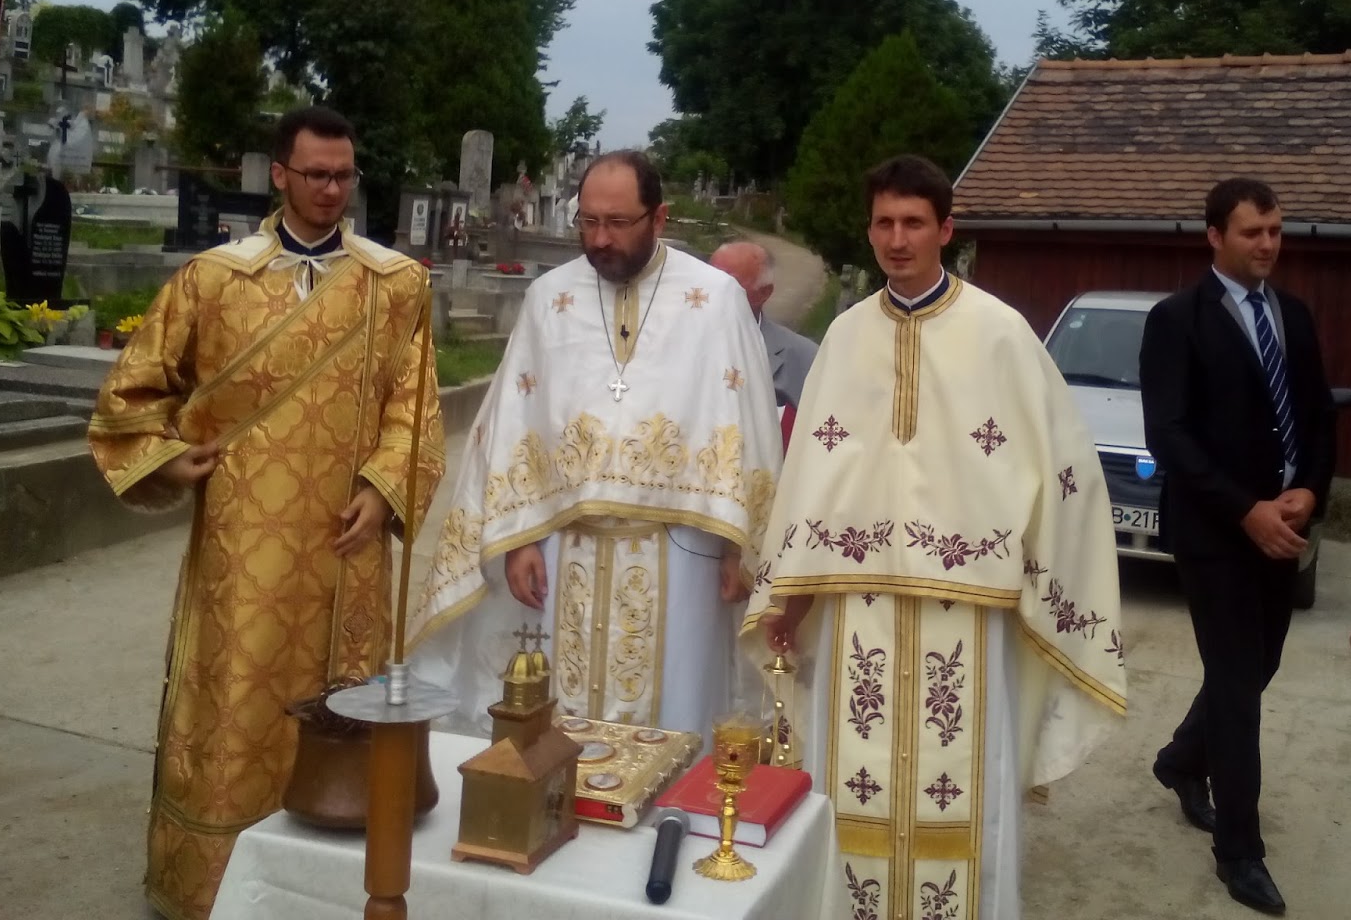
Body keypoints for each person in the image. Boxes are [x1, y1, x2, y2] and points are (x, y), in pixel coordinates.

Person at [742, 154, 1126, 920]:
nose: (897, 238)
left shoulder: (1001, 335)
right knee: (850, 799)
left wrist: (1042, 591)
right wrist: (787, 596)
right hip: (859, 611)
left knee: (963, 801)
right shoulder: (846, 338)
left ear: (945, 229)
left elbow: (1064, 472)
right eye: (884, 222)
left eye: (913, 222)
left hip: (968, 617)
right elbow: (811, 474)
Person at [87, 106, 445, 920]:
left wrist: (385, 487)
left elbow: (413, 407)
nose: (330, 189)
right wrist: (170, 456)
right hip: (241, 540)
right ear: (278, 174)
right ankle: (212, 883)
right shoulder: (213, 280)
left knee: (343, 704)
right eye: (314, 174)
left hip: (346, 540)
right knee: (234, 701)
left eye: (343, 175)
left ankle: (337, 888)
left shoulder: (396, 285)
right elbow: (131, 394)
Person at [409, 150, 782, 738]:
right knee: (562, 717)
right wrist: (518, 539)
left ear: (658, 219)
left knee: (677, 715)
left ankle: (665, 826)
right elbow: (516, 424)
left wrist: (743, 548)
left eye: (617, 223)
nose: (601, 239)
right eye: (588, 222)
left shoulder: (716, 301)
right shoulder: (549, 299)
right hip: (565, 547)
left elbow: (750, 427)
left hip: (683, 552)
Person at [1138, 177, 1336, 915]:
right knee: (1235, 684)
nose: (1268, 244)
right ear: (1214, 236)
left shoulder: (1295, 315)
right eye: (1253, 231)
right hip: (1214, 533)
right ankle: (1240, 852)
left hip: (1282, 528)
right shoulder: (1177, 321)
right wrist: (1244, 508)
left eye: (1276, 230)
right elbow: (1172, 435)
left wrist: (1310, 492)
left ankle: (1181, 760)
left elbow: (1318, 417)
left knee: (1258, 667)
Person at [709, 240, 818, 447]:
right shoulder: (678, 344)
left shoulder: (805, 359)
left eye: (729, 285)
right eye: (708, 282)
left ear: (764, 293)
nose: (714, 294)